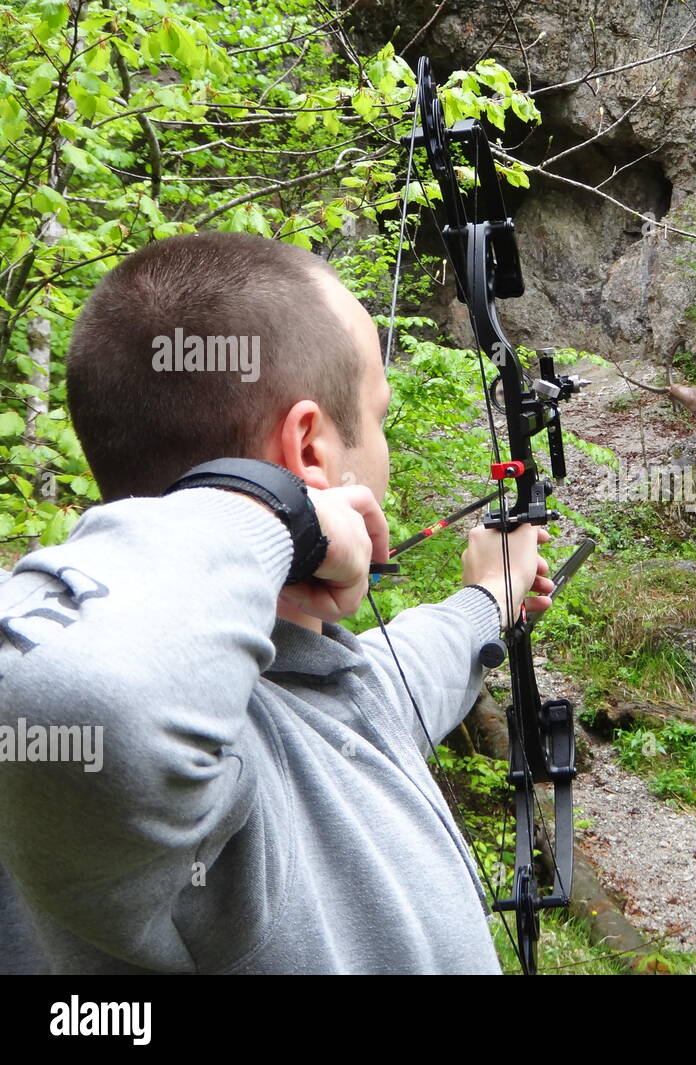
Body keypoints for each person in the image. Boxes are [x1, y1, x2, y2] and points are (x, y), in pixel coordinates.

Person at [0, 230, 553, 974]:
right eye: (379, 413)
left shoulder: (313, 689)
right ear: (312, 453)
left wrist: (489, 596)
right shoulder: (196, 785)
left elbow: (391, 679)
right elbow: (73, 698)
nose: (382, 444)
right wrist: (281, 512)